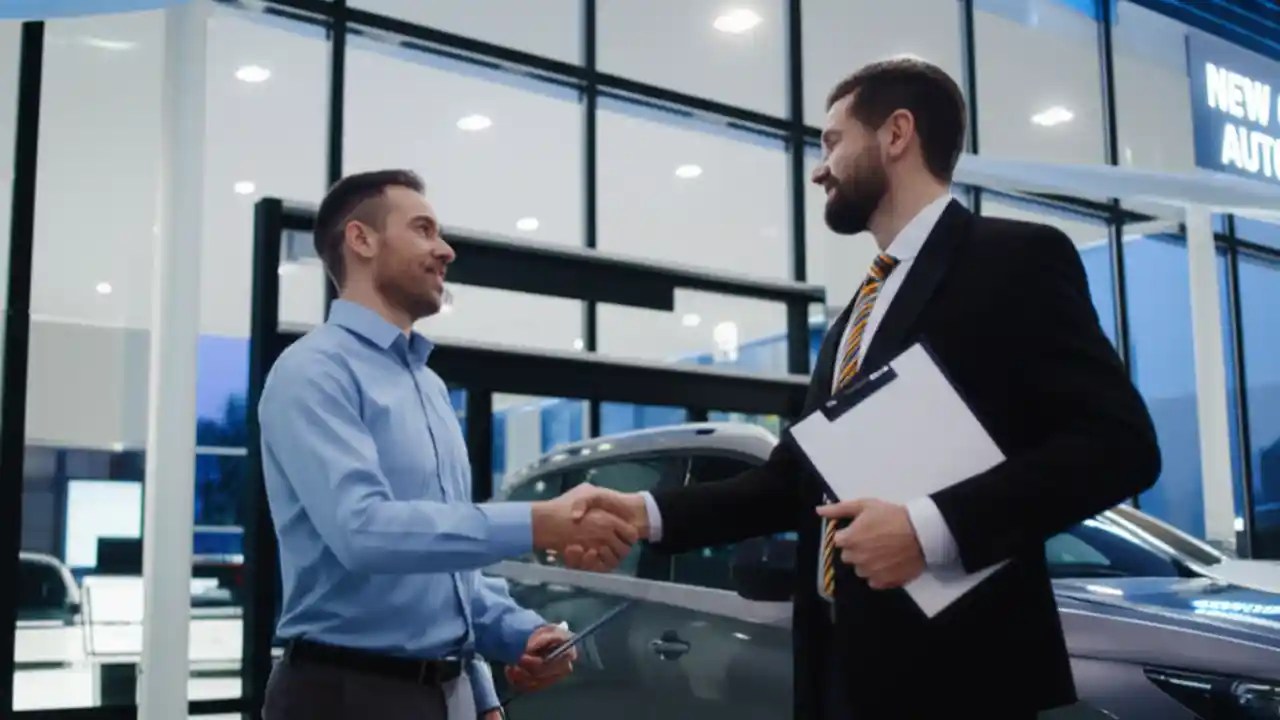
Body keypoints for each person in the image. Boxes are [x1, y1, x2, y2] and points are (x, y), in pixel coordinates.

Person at [569, 58, 1161, 718]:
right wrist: (645, 513)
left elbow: (1120, 445)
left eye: (831, 141)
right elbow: (794, 479)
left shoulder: (1016, 259)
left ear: (896, 134)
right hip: (842, 673)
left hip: (962, 682)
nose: (819, 168)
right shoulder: (856, 314)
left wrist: (927, 528)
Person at [257, 169, 638, 720]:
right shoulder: (314, 372)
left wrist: (517, 638)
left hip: (445, 693)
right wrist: (539, 522)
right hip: (343, 696)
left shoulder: (429, 386)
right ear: (361, 239)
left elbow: (446, 575)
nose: (446, 250)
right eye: (424, 230)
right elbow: (364, 532)